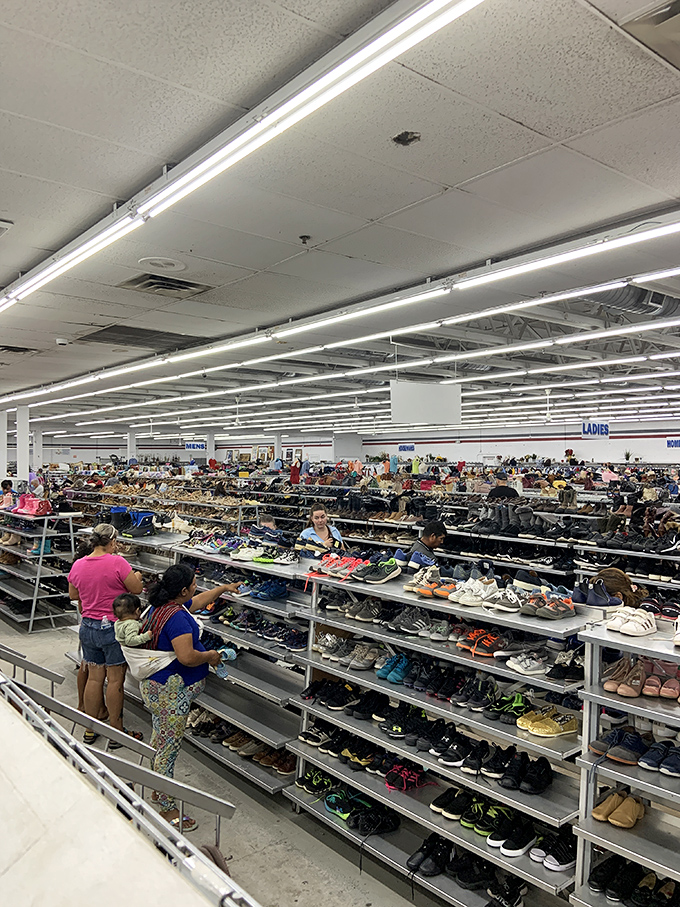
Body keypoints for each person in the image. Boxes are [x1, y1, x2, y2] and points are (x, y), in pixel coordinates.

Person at [139, 563, 235, 831]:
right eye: (193, 584)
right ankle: (167, 808)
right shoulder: (178, 618)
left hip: (158, 688)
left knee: (159, 739)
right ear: (182, 590)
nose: (196, 587)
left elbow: (198, 601)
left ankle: (157, 787)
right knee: (168, 747)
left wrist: (223, 588)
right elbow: (187, 657)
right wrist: (212, 656)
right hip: (171, 691)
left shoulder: (163, 606)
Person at [68, 523, 144, 742]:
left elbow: (74, 595)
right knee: (115, 680)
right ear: (112, 541)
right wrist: (137, 577)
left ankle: (90, 729)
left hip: (88, 626)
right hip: (112, 628)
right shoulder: (117, 562)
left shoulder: (79, 564)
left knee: (94, 678)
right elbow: (137, 589)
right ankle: (116, 732)